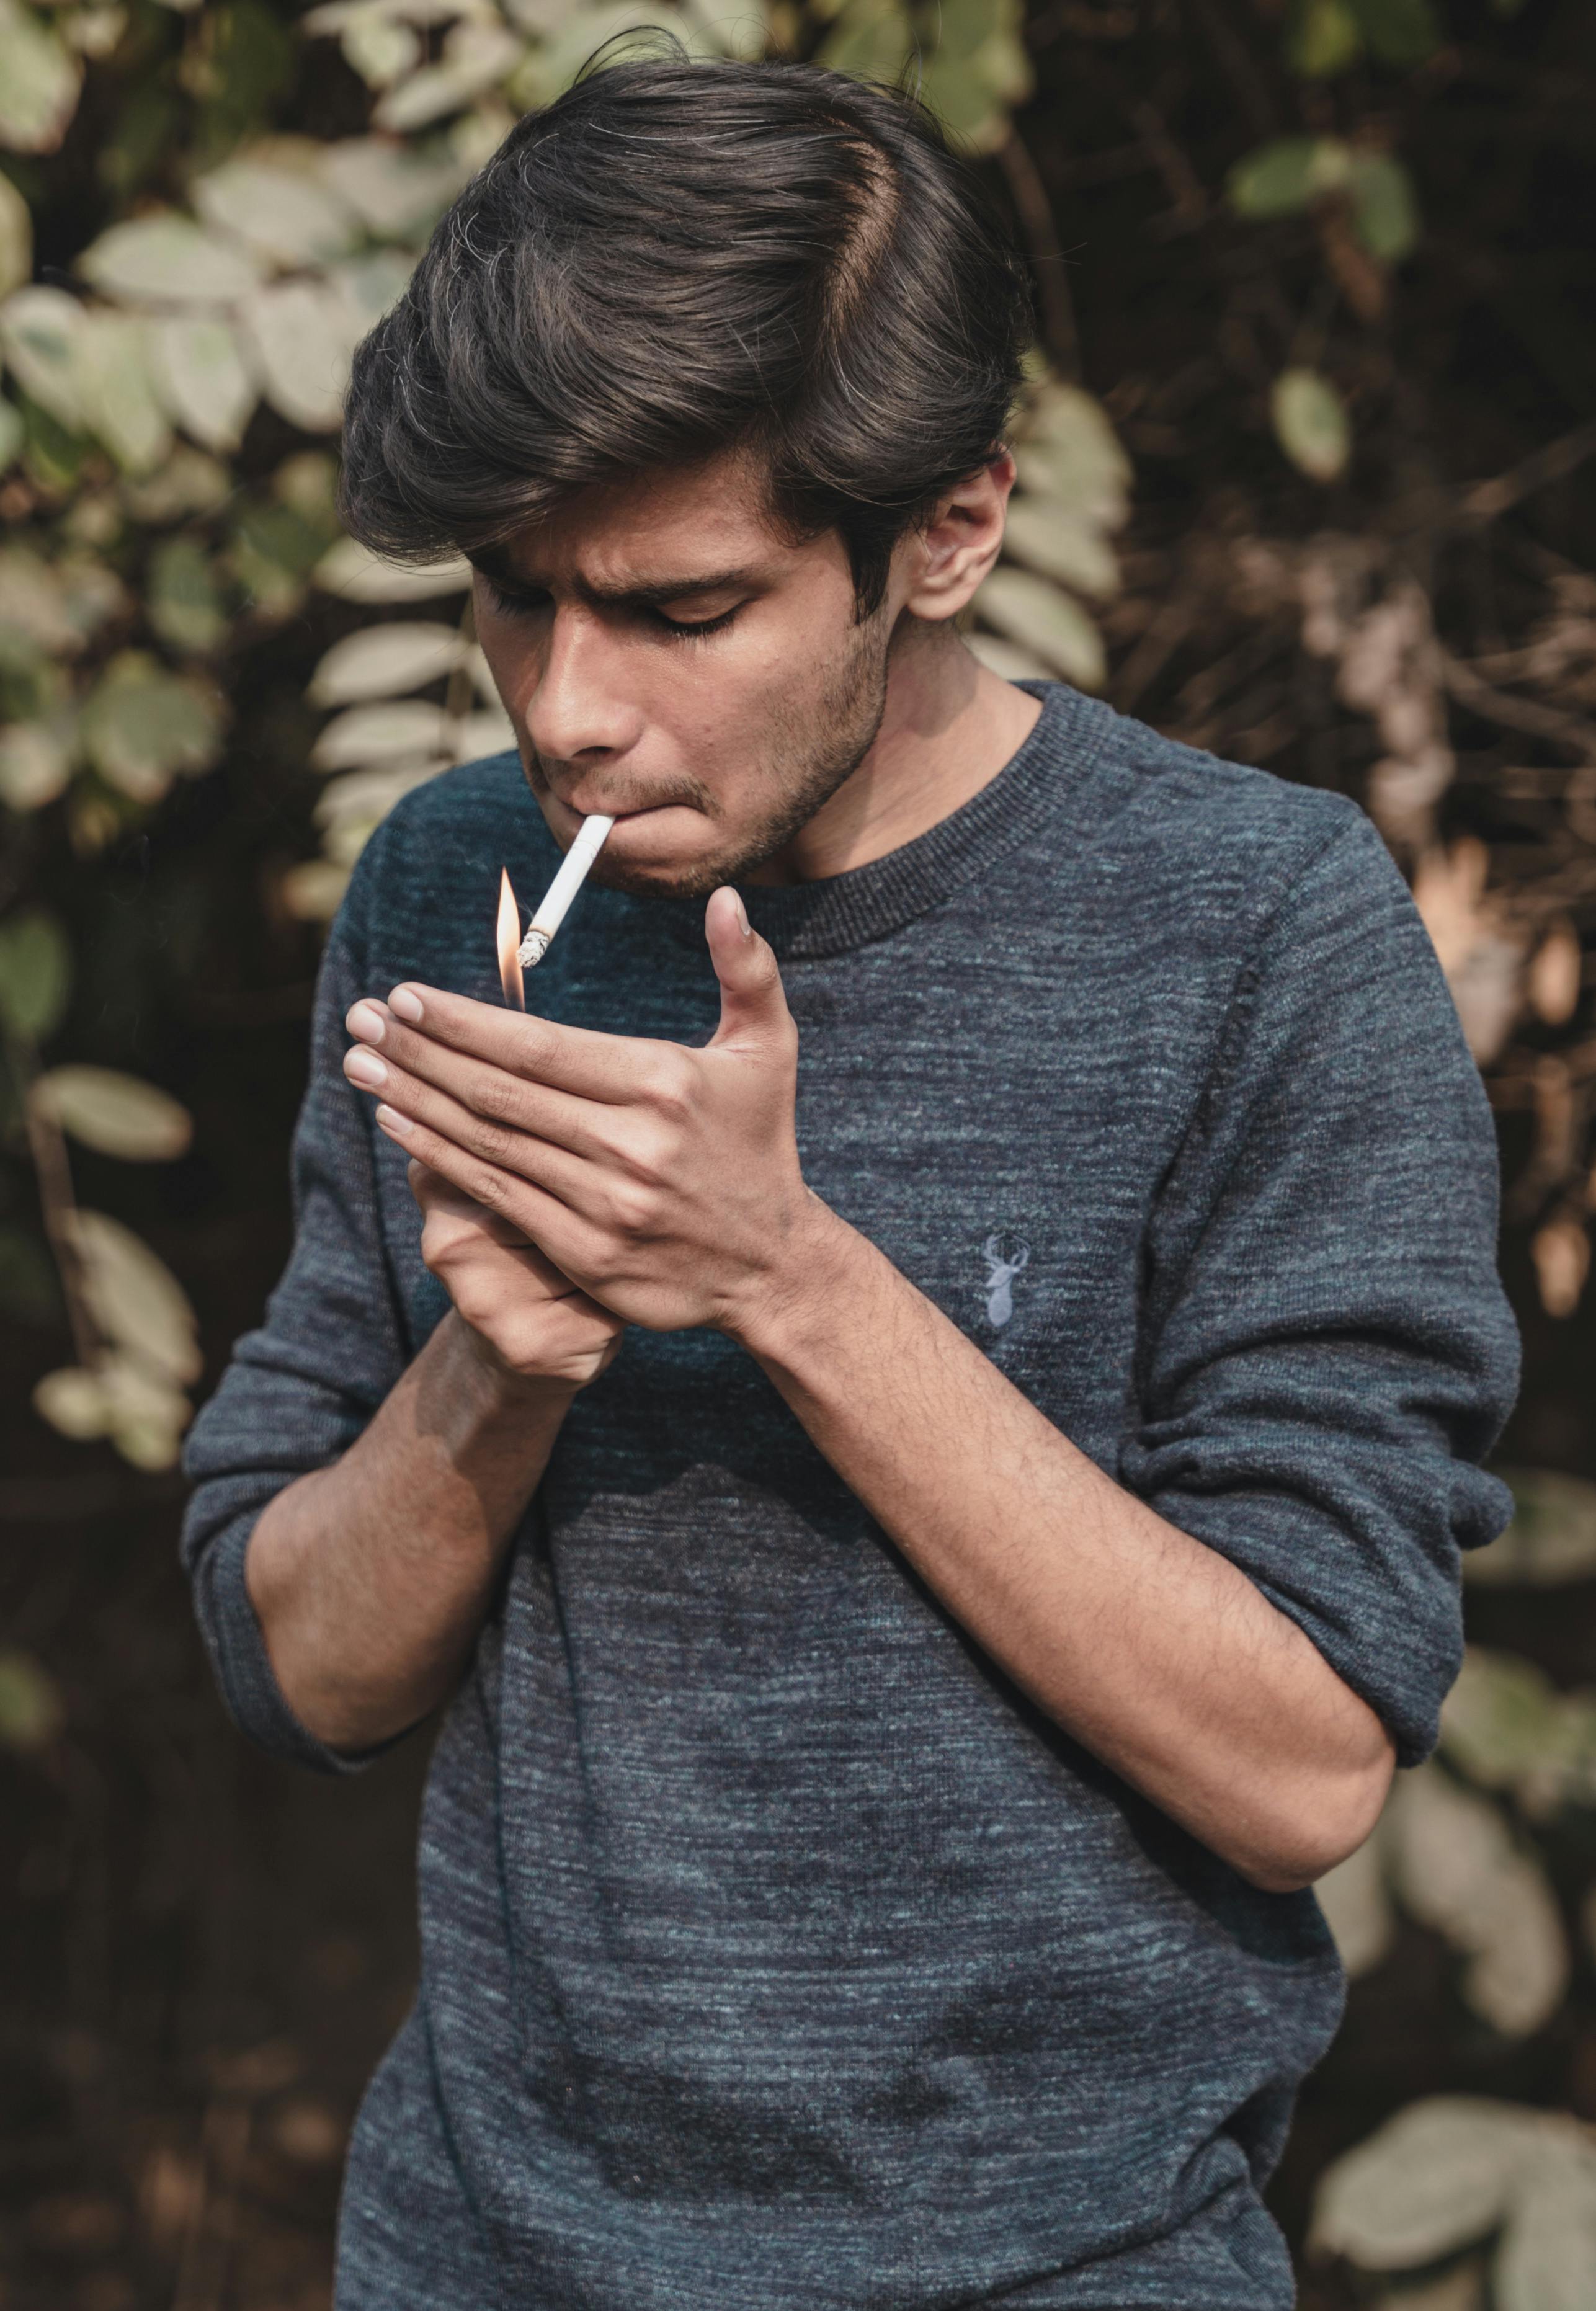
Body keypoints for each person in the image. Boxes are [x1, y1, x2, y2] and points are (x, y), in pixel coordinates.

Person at [182, 53, 1519, 2311]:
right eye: (515, 596)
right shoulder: (449, 887)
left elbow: (1303, 1769)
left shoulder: (1256, 931)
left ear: (954, 530)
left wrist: (784, 1274)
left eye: (683, 610)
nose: (568, 711)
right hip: (477, 2254)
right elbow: (293, 1667)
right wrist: (494, 1379)